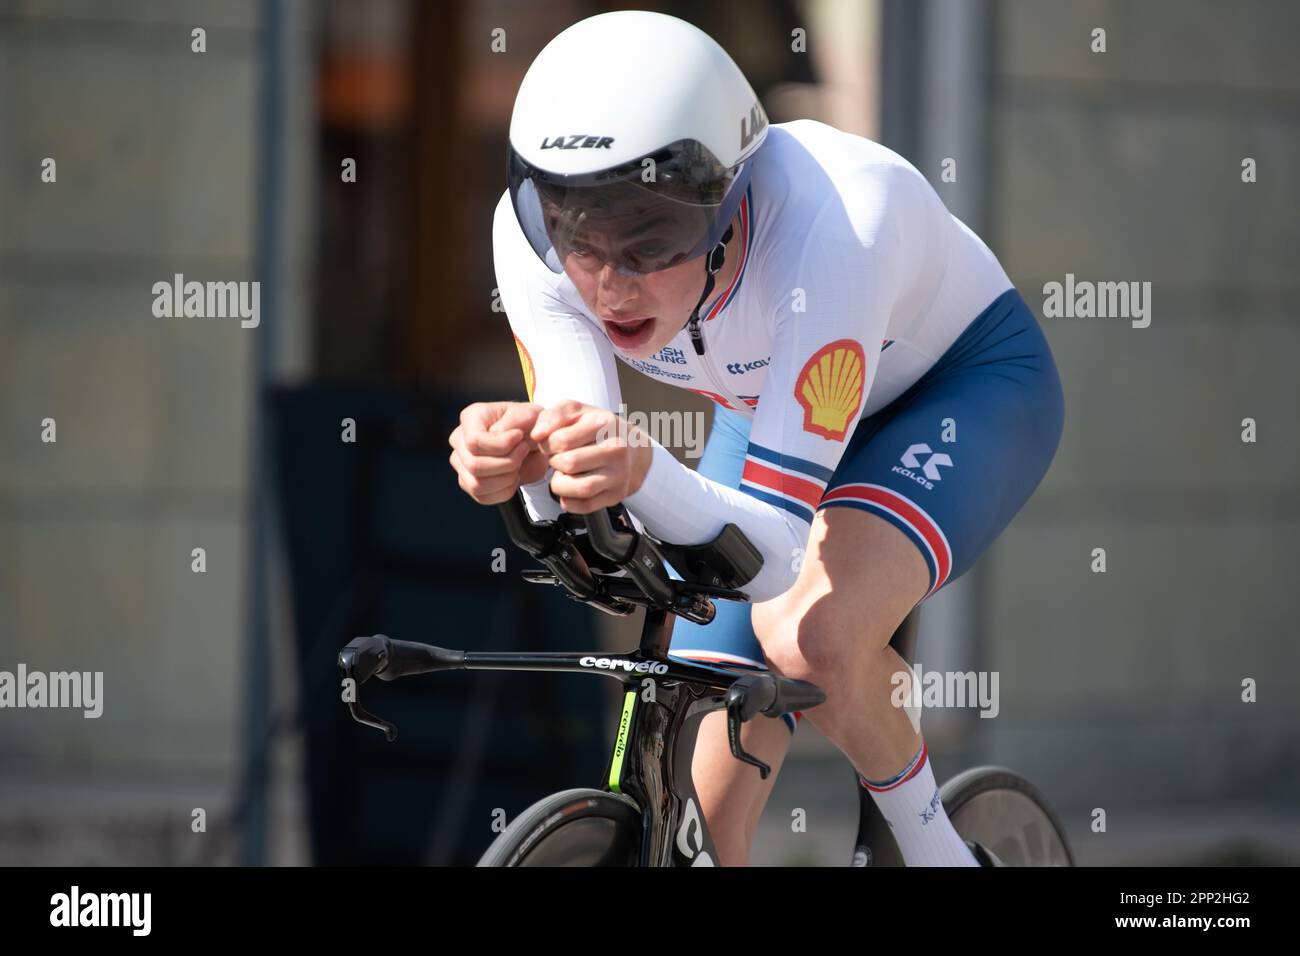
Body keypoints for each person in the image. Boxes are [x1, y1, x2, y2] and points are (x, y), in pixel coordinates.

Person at [448, 9, 1064, 867]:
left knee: (813, 636)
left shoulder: (833, 228)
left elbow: (769, 553)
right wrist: (523, 471)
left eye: (650, 236)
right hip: (769, 405)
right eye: (579, 232)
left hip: (955, 392)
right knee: (699, 774)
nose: (611, 283)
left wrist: (639, 464)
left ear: (726, 202)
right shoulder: (530, 246)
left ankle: (939, 855)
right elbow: (587, 489)